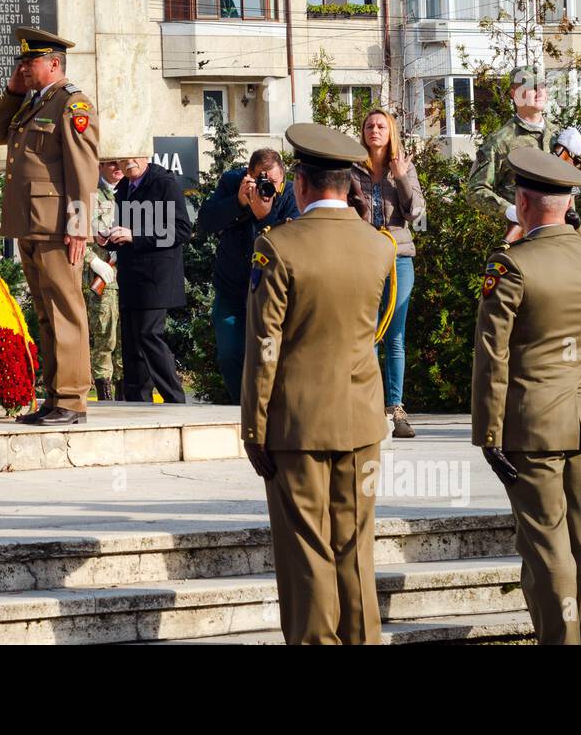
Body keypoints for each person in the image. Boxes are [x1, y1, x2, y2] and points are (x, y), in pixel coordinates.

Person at [241, 123, 397, 645]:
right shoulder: (380, 246)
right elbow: (379, 324)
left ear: (300, 186)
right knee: (355, 550)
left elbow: (265, 347)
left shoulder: (278, 246)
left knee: (307, 552)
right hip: (361, 418)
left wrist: (253, 427)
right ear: (346, 183)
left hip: (297, 422)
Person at [472, 148, 581, 645]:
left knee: (546, 547)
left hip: (533, 423)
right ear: (568, 201)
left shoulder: (512, 265)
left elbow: (492, 357)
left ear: (523, 201)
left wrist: (489, 433)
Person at [0, 26, 99, 426]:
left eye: (29, 62)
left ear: (54, 64)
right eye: (21, 61)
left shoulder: (73, 105)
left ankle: (72, 401)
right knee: (45, 313)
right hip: (30, 224)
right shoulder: (32, 102)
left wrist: (78, 228)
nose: (23, 68)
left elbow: (83, 171)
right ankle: (55, 399)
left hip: (58, 228)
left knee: (66, 311)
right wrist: (13, 91)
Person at [196, 148, 300, 403]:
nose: (267, 188)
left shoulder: (292, 192)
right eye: (260, 181)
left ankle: (269, 407)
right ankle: (242, 406)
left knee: (270, 353)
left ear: (283, 176)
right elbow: (205, 223)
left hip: (272, 292)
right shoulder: (233, 182)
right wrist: (238, 202)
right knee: (230, 353)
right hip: (232, 285)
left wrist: (266, 216)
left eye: (272, 183)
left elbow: (298, 238)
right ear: (248, 175)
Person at [467, 66, 581, 241]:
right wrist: (509, 211)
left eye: (543, 86)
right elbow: (475, 190)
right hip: (528, 237)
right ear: (514, 93)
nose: (539, 92)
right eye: (531, 87)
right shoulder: (500, 141)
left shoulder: (561, 136)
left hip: (566, 233)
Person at [353, 109, 425, 438]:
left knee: (395, 335)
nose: (375, 131)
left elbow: (416, 213)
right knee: (367, 333)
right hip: (364, 256)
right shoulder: (352, 169)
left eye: (381, 126)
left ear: (390, 131)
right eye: (369, 126)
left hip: (399, 257)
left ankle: (395, 409)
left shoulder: (404, 167)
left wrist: (402, 176)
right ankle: (367, 406)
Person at [101, 157, 192, 403]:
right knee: (131, 342)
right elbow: (127, 231)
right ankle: (137, 402)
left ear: (146, 156)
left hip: (156, 276)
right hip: (131, 275)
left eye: (134, 157)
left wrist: (134, 235)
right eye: (123, 159)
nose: (128, 163)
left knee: (148, 334)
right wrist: (109, 238)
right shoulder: (123, 188)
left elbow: (182, 229)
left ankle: (175, 399)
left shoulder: (164, 183)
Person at [84, 160, 123, 400]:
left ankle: (124, 396)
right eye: (111, 163)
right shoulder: (91, 195)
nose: (118, 167)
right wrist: (92, 260)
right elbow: (77, 232)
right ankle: (105, 394)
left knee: (124, 339)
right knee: (104, 336)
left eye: (121, 162)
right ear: (99, 166)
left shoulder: (130, 192)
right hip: (103, 278)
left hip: (127, 275)